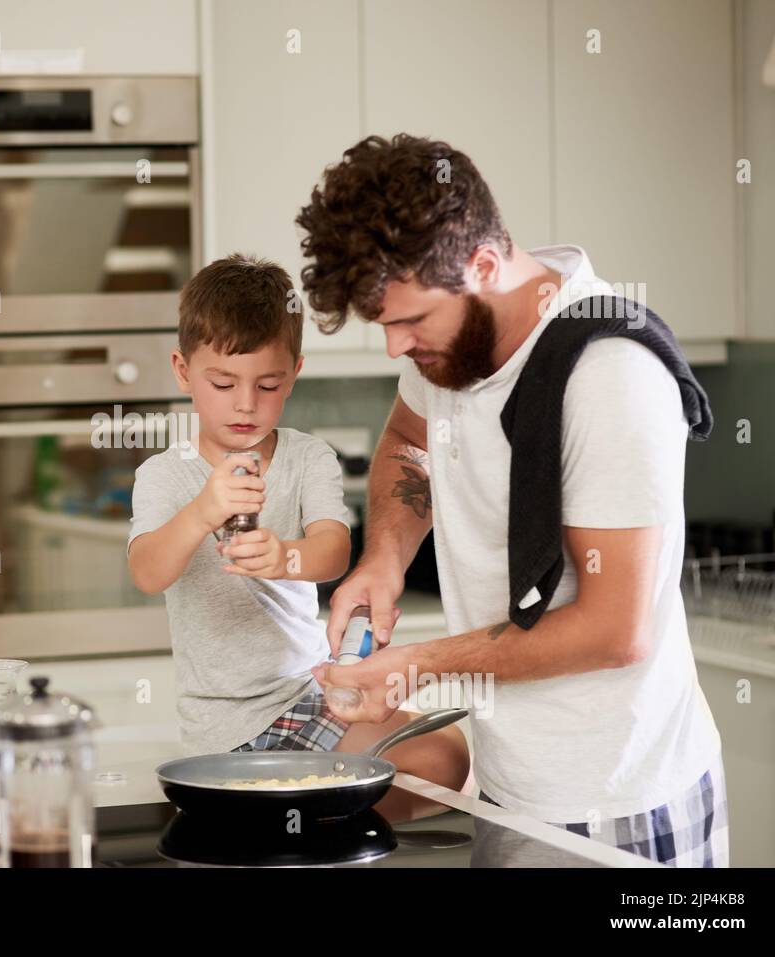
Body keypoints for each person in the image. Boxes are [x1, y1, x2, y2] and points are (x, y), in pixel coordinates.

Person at [300, 134, 726, 866]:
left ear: (485, 265)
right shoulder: (453, 342)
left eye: (409, 322)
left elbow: (613, 628)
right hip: (508, 783)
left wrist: (413, 665)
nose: (395, 349)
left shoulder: (608, 371)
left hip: (617, 801)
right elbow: (409, 441)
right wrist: (384, 558)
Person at [127, 253, 470, 821]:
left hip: (310, 693)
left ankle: (315, 836)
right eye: (222, 382)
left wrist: (286, 556)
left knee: (445, 758)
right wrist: (202, 511)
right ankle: (295, 826)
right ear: (183, 371)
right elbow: (147, 572)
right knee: (277, 808)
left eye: (267, 384)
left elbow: (334, 551)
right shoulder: (164, 474)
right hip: (225, 726)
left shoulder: (308, 457)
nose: (245, 403)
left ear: (295, 373)